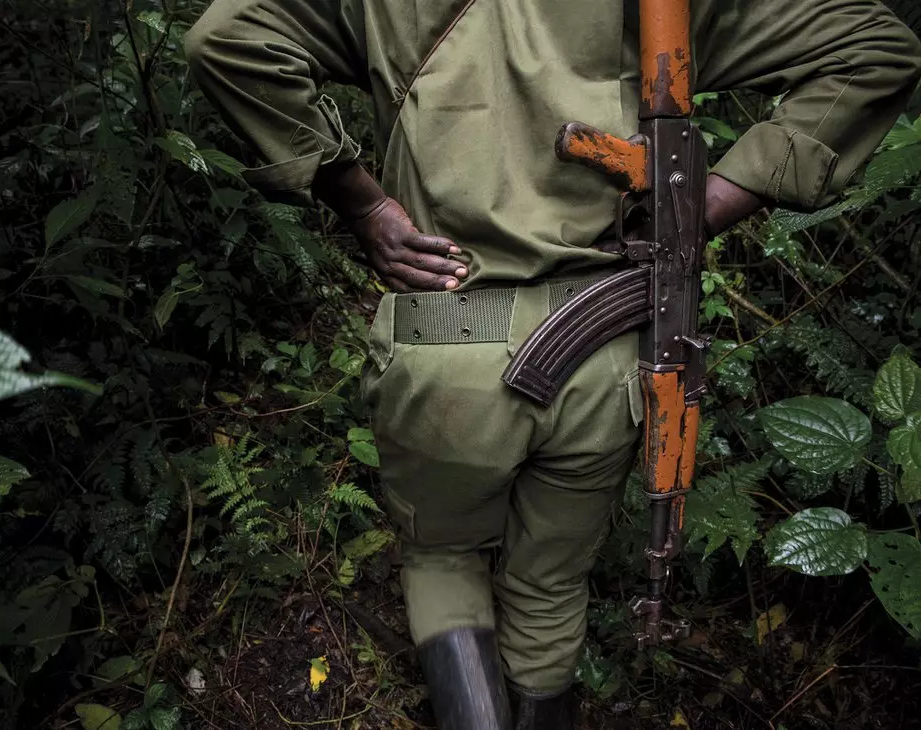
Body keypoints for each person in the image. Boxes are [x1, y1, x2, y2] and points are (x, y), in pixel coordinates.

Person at [185, 2, 921, 728]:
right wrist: (703, 206)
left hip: (446, 343)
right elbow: (875, 48)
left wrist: (360, 203)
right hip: (603, 357)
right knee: (551, 583)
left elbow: (227, 38)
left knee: (443, 560)